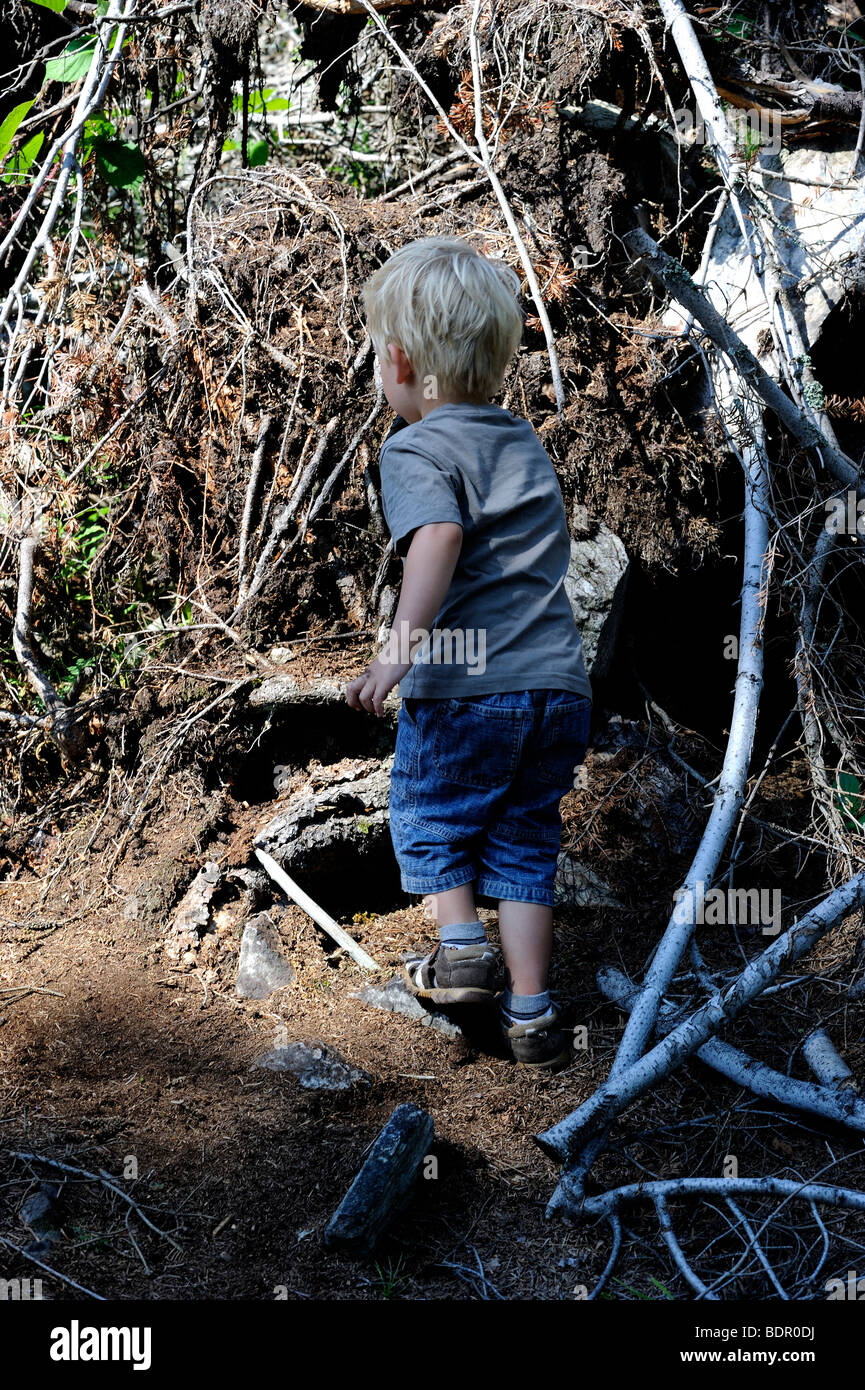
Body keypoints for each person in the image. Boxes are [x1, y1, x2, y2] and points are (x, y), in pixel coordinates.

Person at [345, 236, 591, 1071]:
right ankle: (532, 1013)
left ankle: (458, 949)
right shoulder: (520, 439)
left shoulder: (414, 449)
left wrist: (395, 654)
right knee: (525, 841)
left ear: (401, 361)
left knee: (430, 814)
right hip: (557, 687)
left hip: (467, 687)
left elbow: (439, 538)